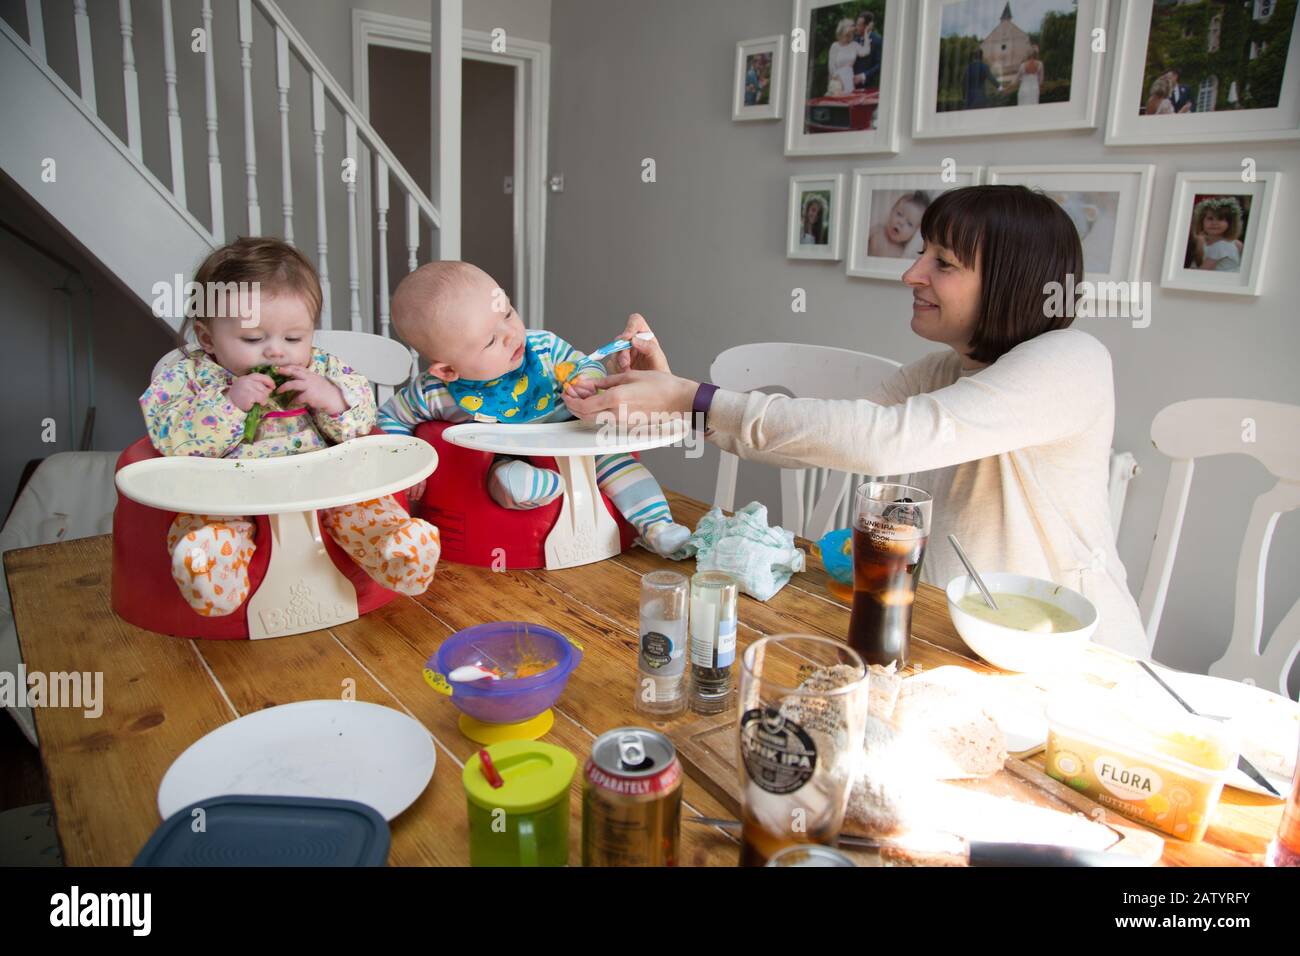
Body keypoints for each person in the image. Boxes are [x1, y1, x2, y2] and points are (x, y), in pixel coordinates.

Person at [563, 185, 1151, 659]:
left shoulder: (1072, 361)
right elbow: (823, 441)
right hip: (955, 641)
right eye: (922, 254)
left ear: (1008, 285)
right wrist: (680, 403)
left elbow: (890, 441)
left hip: (1079, 662)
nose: (912, 274)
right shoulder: (944, 369)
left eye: (942, 263)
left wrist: (695, 399)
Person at [139, 237, 441, 616]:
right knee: (206, 526)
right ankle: (211, 572)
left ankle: (399, 554)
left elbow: (364, 421)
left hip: (325, 485)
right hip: (226, 492)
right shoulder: (189, 377)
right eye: (253, 338)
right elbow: (170, 440)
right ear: (207, 338)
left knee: (365, 508)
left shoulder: (322, 368)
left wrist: (332, 398)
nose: (276, 351)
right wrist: (230, 404)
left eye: (294, 337)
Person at [376, 261, 693, 557]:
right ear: (447, 371)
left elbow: (585, 363)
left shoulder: (543, 348)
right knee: (503, 481)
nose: (512, 335)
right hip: (508, 457)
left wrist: (586, 380)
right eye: (490, 341)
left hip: (579, 442)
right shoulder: (435, 393)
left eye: (507, 313)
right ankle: (538, 488)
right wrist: (405, 463)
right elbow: (389, 418)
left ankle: (658, 527)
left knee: (621, 466)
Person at [827, 18, 865, 95]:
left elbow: (865, 51)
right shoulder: (835, 46)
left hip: (849, 79)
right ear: (843, 33)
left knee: (849, 100)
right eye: (848, 34)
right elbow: (831, 67)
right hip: (837, 80)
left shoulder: (854, 45)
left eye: (852, 34)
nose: (850, 36)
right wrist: (838, 80)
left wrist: (866, 34)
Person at [853, 12, 884, 90]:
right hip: (851, 86)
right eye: (856, 24)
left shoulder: (877, 40)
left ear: (867, 26)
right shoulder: (854, 40)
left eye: (859, 25)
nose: (856, 28)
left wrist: (864, 76)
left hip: (868, 88)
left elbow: (880, 65)